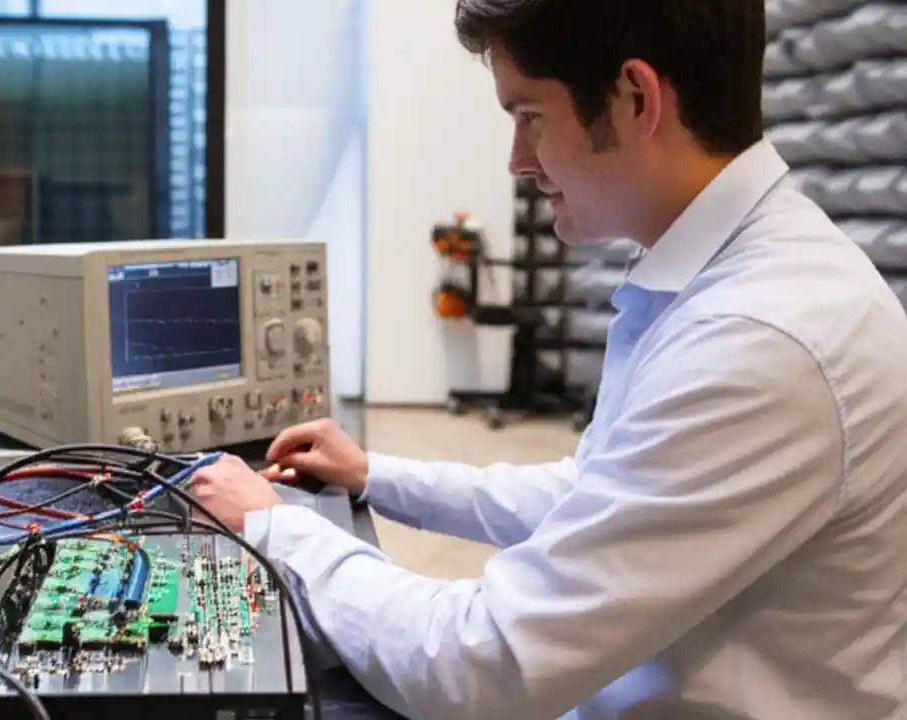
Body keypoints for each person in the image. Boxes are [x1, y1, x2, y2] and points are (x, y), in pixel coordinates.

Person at [188, 1, 907, 718]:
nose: (517, 159)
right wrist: (379, 477)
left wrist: (276, 527)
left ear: (634, 99)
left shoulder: (761, 338)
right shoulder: (722, 277)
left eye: (528, 115)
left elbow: (477, 668)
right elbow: (600, 491)